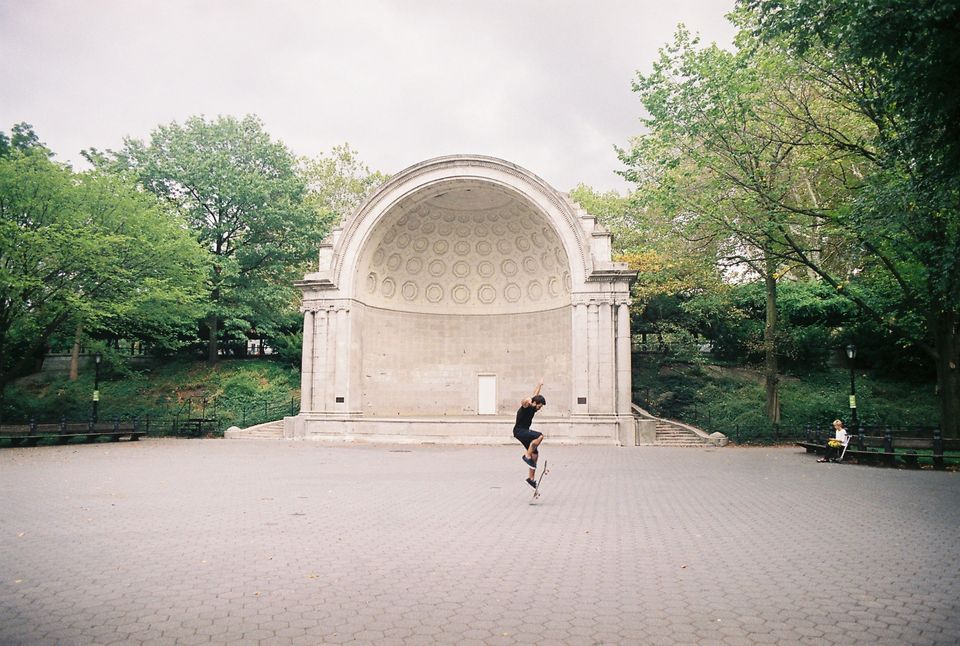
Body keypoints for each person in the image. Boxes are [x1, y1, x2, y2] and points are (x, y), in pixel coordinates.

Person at [514, 378, 546, 488]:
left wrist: (539, 384)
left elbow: (536, 394)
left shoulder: (534, 406)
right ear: (535, 403)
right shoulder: (526, 407)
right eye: (539, 406)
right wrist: (526, 400)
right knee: (540, 436)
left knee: (535, 455)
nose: (539, 409)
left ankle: (531, 479)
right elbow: (523, 402)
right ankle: (527, 456)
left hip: (523, 432)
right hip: (520, 431)